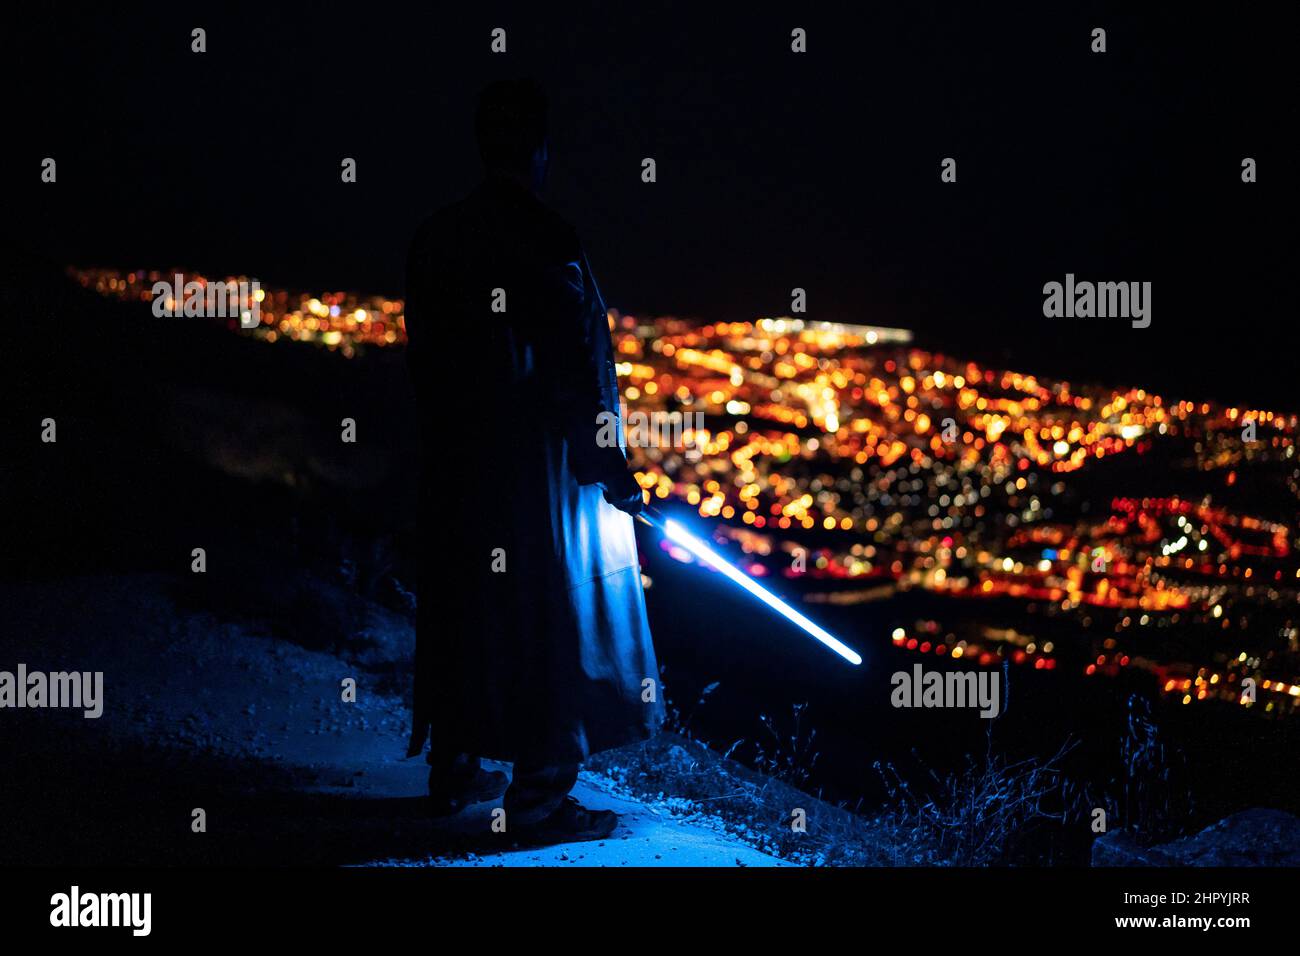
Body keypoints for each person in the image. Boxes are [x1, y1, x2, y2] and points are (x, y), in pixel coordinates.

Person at [403, 79, 663, 843]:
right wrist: (610, 468)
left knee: (466, 611)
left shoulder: (437, 237)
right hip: (540, 479)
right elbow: (573, 368)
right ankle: (541, 796)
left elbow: (426, 363)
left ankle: (452, 767)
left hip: (459, 467)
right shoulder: (548, 240)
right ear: (542, 151)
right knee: (555, 618)